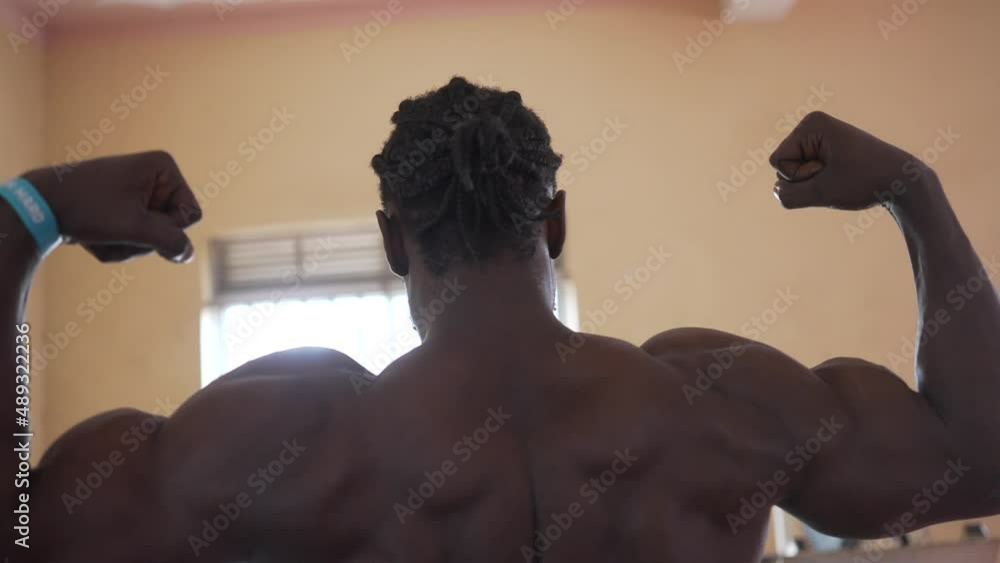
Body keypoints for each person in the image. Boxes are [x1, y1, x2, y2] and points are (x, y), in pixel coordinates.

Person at [2, 77, 998, 563]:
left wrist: (28, 216)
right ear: (554, 221)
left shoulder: (290, 434)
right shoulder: (716, 397)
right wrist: (914, 191)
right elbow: (977, 454)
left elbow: (15, 532)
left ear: (395, 241)